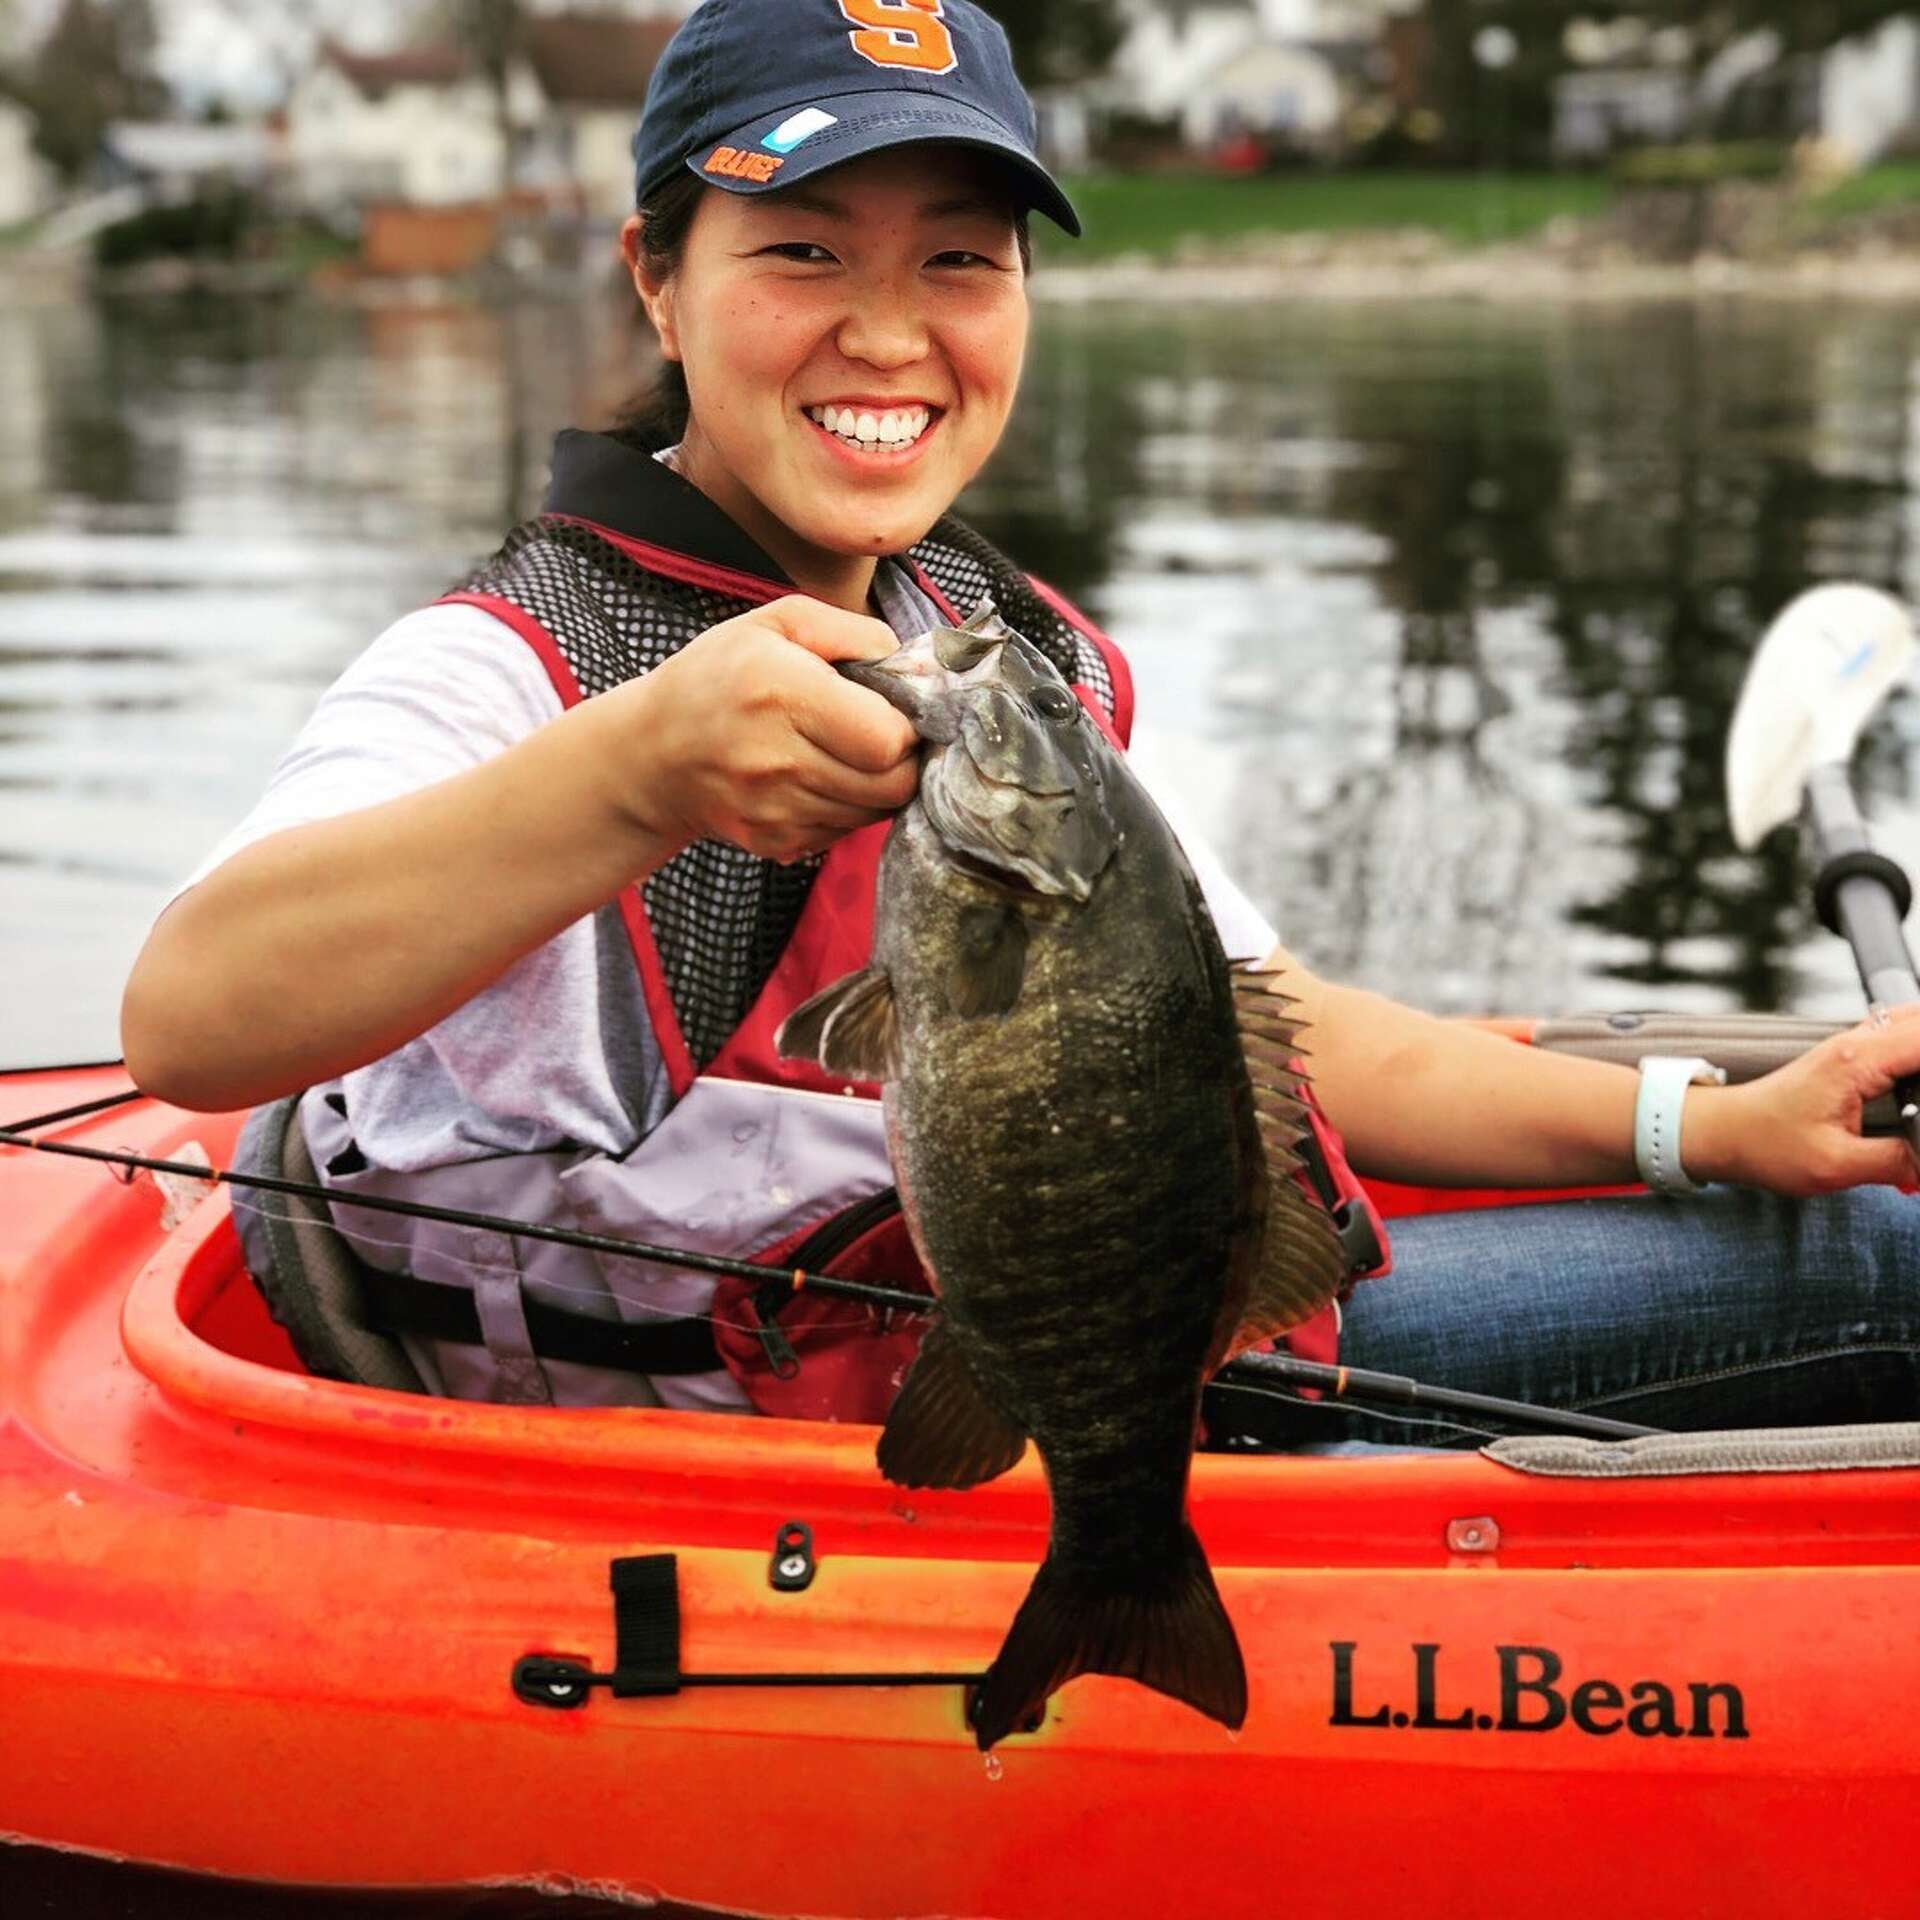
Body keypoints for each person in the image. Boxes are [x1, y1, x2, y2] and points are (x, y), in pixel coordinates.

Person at [122, 0, 1920, 1441]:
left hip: (1085, 1331)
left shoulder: (988, 653)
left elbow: (1285, 1038)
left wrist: (1709, 1123)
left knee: (1823, 1212)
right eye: (806, 253)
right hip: (805, 1437)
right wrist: (636, 764)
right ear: (657, 276)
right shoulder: (503, 670)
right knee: (1886, 1271)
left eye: (960, 263)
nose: (891, 335)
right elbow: (192, 1022)